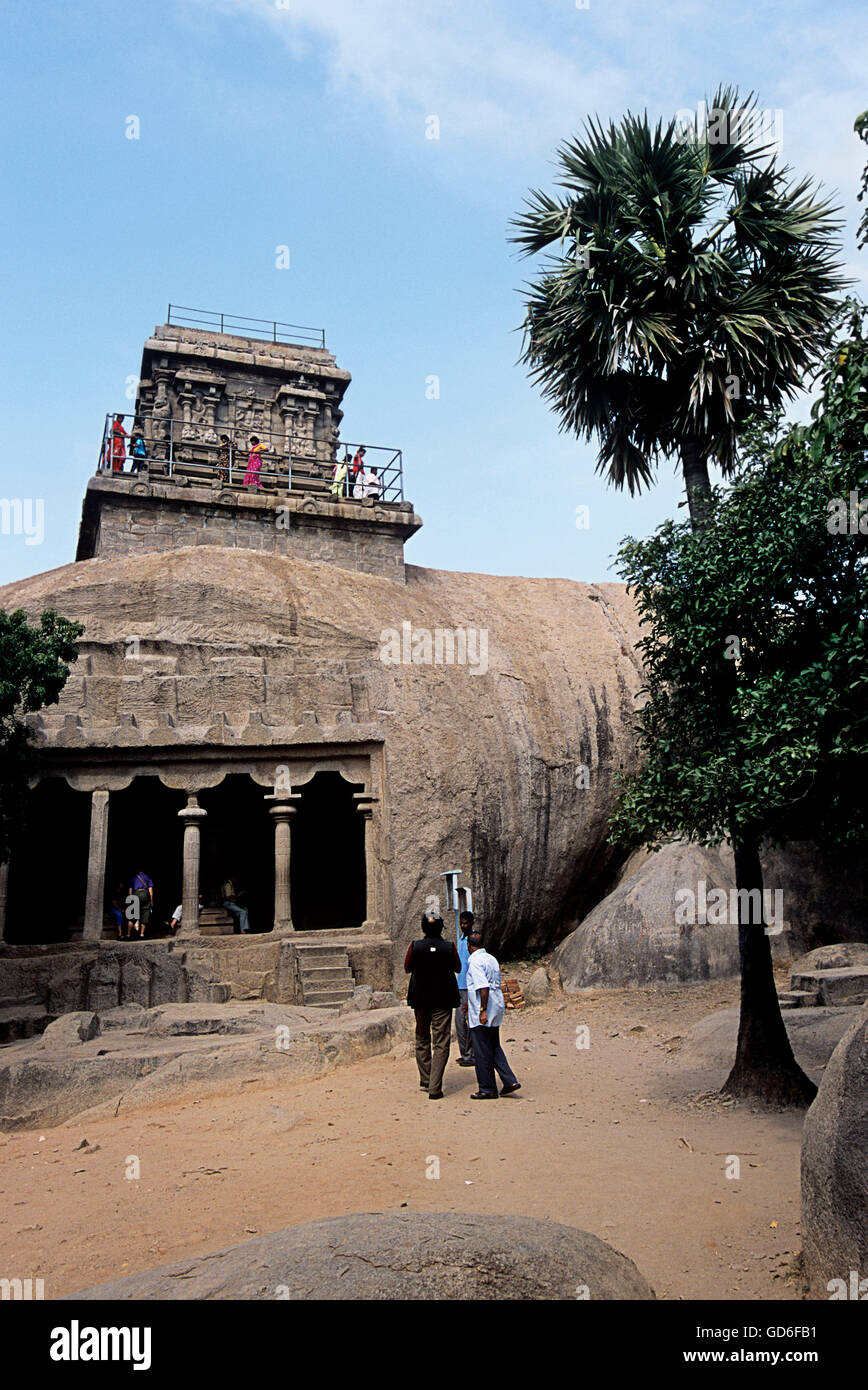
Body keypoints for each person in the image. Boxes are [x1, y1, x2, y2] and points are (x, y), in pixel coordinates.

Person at [404, 911, 461, 1100]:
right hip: (443, 1000)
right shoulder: (449, 947)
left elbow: (407, 967)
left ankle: (426, 1079)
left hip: (420, 999)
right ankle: (435, 1087)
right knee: (441, 1042)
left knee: (422, 1038)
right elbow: (458, 967)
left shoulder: (415, 946)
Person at [464, 928, 521, 1099]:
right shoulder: (491, 959)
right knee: (493, 1045)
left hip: (485, 1008)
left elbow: (483, 987)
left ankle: (487, 1088)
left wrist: (482, 1011)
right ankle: (509, 1080)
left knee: (481, 1049)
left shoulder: (474, 962)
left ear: (469, 945)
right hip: (496, 1005)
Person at [454, 910, 476, 1067]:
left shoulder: (474, 939)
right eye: (461, 923)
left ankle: (472, 1055)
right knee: (460, 1022)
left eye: (466, 923)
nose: (463, 926)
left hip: (470, 987)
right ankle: (466, 1054)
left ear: (472, 923)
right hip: (460, 985)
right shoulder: (461, 938)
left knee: (469, 1021)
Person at [127, 867, 154, 940]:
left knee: (132, 915)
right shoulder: (147, 877)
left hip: (135, 894)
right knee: (145, 913)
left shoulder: (133, 878)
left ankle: (128, 934)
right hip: (145, 894)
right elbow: (151, 891)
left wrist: (130, 899)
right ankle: (142, 934)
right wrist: (151, 901)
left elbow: (130, 890)